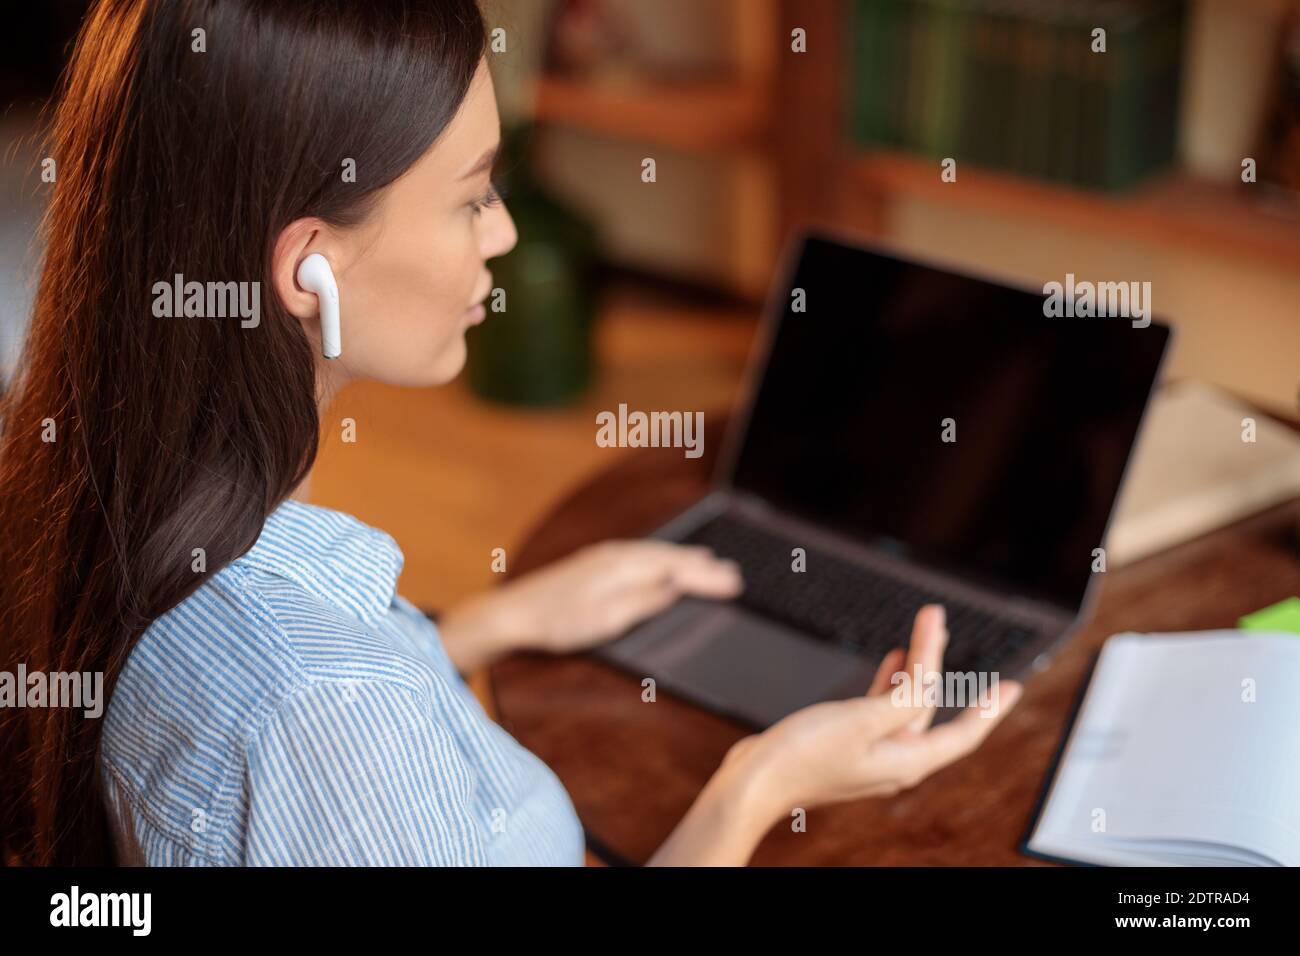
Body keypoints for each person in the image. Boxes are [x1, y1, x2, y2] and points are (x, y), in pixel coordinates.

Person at [0, 0, 1019, 866]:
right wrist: (759, 784)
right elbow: (310, 723)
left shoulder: (104, 493)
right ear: (311, 266)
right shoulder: (325, 707)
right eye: (473, 195)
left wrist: (492, 621)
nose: (504, 233)